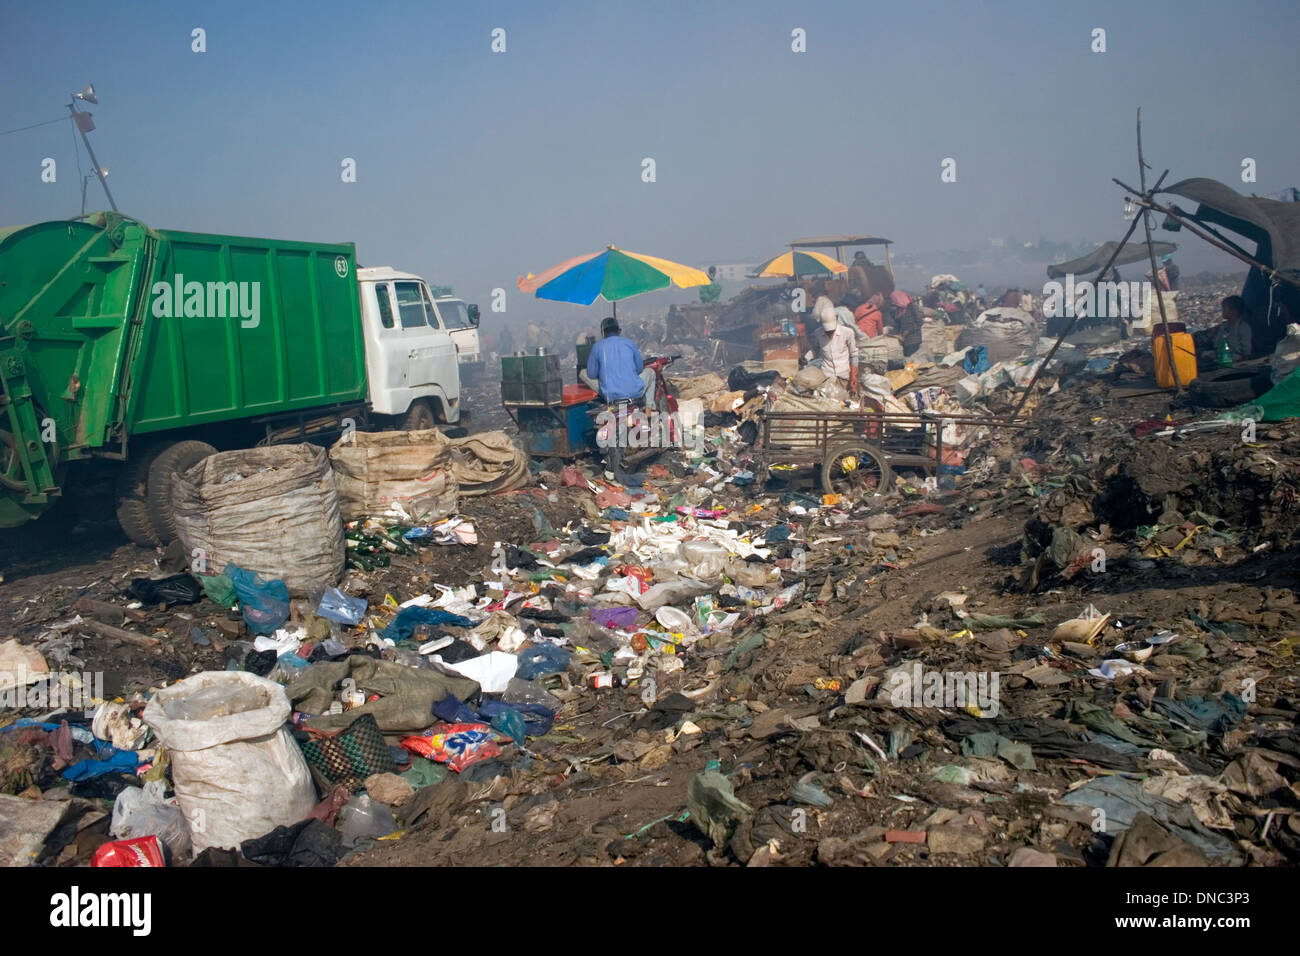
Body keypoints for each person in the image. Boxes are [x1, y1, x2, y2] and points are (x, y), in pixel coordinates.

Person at [581, 316, 654, 402]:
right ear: (619, 331)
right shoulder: (629, 343)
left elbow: (591, 374)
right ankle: (650, 409)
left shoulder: (597, 346)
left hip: (610, 395)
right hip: (634, 392)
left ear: (603, 333)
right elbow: (639, 369)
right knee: (651, 372)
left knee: (583, 372)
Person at [806, 296, 858, 392]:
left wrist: (853, 377)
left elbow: (854, 355)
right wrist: (806, 358)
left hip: (844, 377)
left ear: (836, 319)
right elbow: (815, 351)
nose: (829, 333)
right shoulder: (818, 334)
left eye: (831, 331)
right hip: (827, 378)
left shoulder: (847, 332)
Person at [1214, 295, 1252, 360]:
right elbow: (1217, 343)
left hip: (1236, 355)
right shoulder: (1224, 326)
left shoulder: (1243, 327)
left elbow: (1246, 347)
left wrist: (1245, 357)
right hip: (1223, 353)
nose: (1222, 311)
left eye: (1224, 309)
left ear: (1234, 311)